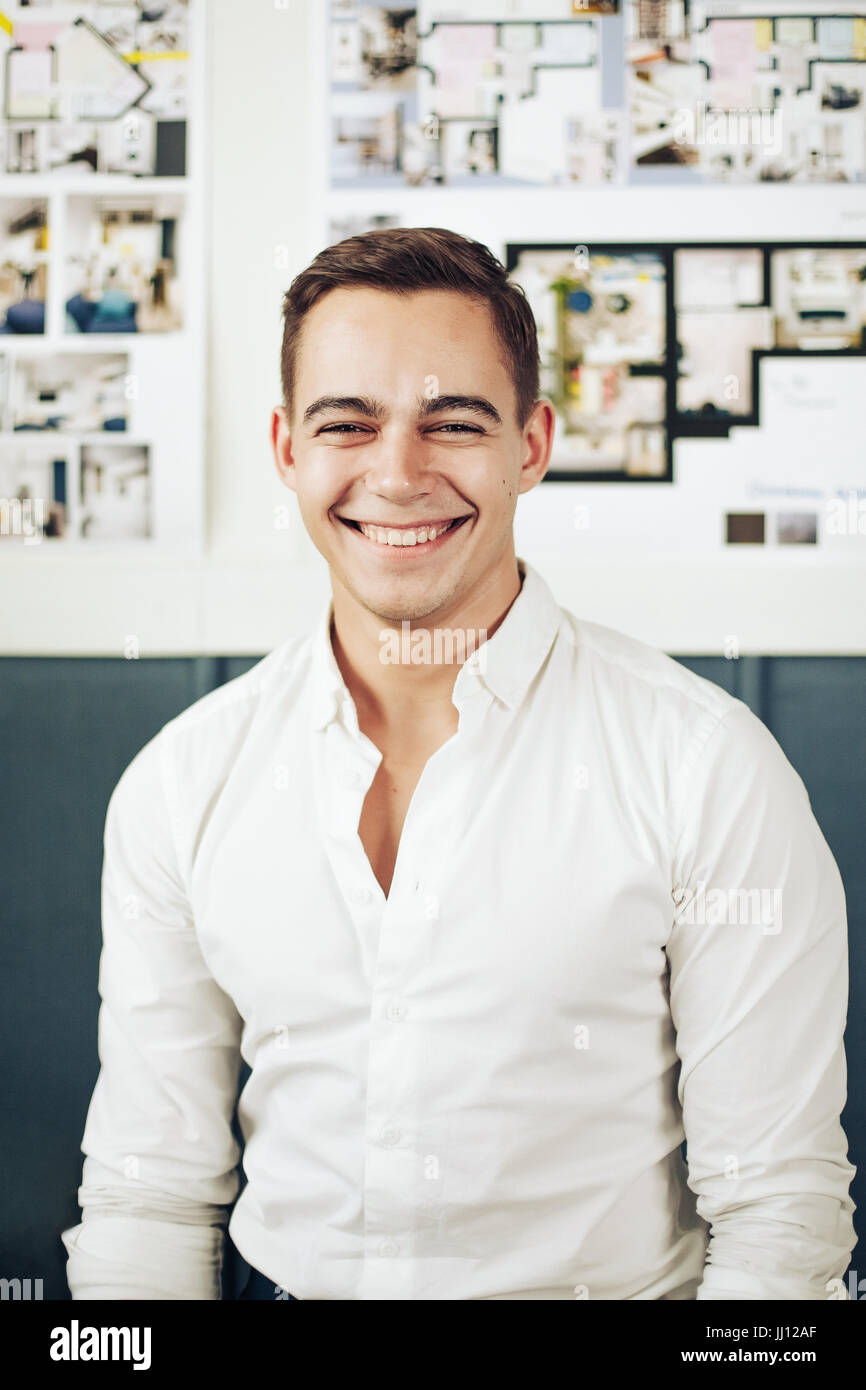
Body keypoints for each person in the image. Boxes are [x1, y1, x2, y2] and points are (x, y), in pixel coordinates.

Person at [62, 227, 856, 1300]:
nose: (397, 475)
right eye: (348, 424)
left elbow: (776, 1226)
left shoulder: (705, 766)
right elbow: (147, 1198)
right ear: (286, 447)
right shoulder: (180, 781)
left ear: (530, 443)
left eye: (453, 423)